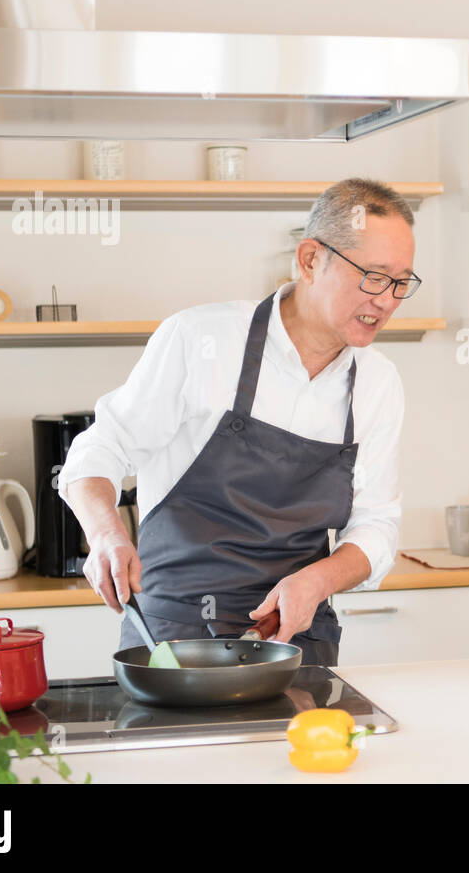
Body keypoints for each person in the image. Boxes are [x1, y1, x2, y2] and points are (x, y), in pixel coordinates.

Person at [60, 178, 416, 664]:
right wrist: (105, 534)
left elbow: (376, 525)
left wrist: (316, 581)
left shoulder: (378, 383)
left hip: (293, 642)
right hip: (173, 642)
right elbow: (99, 450)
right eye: (374, 276)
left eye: (400, 283)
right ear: (311, 259)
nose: (387, 300)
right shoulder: (200, 339)